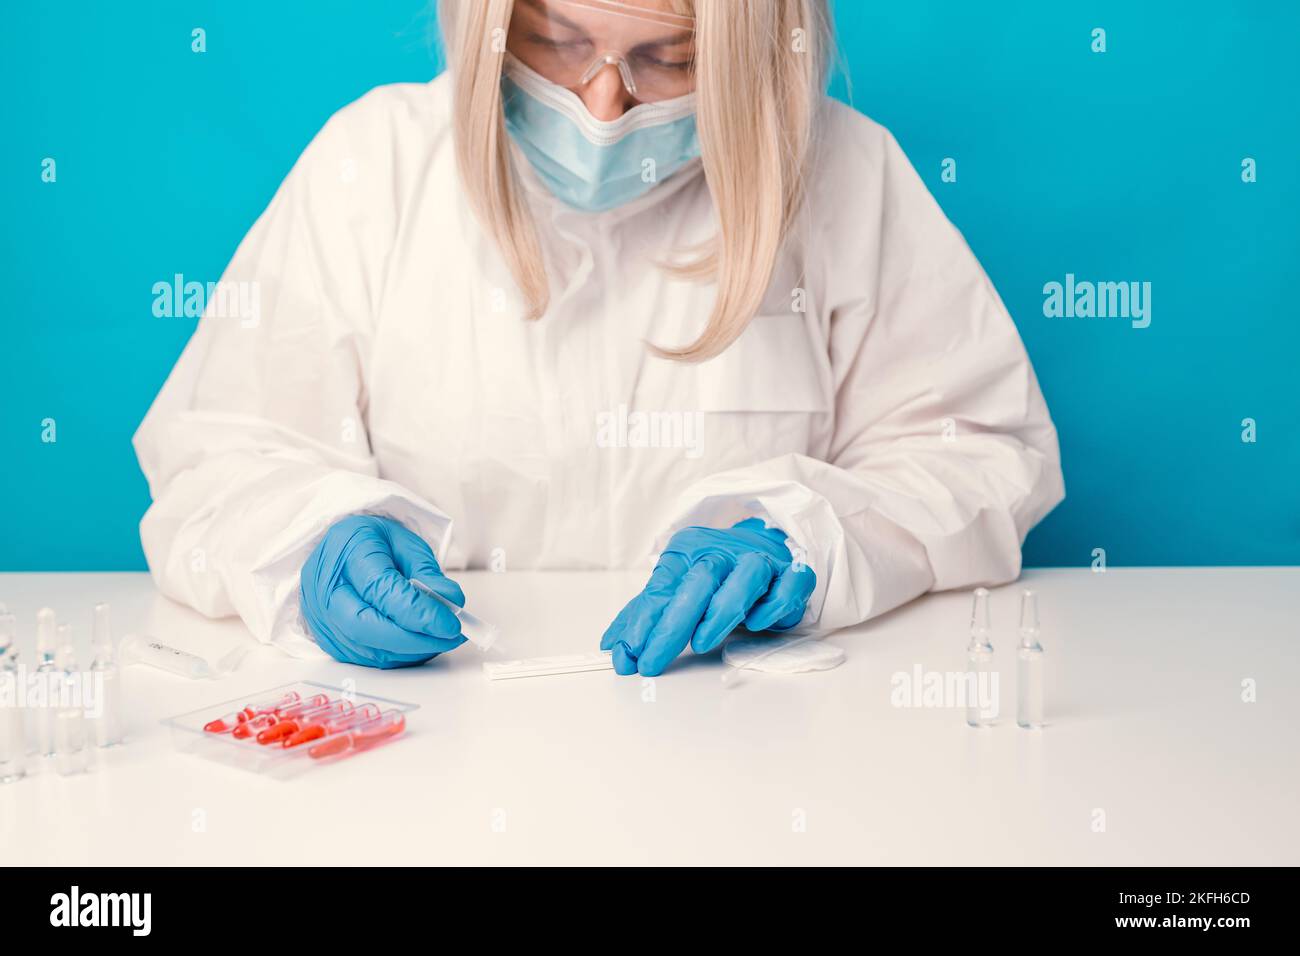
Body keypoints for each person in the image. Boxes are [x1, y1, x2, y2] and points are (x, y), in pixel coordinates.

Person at [133, 0, 1064, 675]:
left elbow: (975, 452)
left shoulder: (847, 176)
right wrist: (307, 547)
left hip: (745, 754)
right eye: (557, 42)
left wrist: (807, 539)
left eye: (667, 58)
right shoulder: (371, 166)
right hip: (439, 756)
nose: (603, 106)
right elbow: (218, 457)